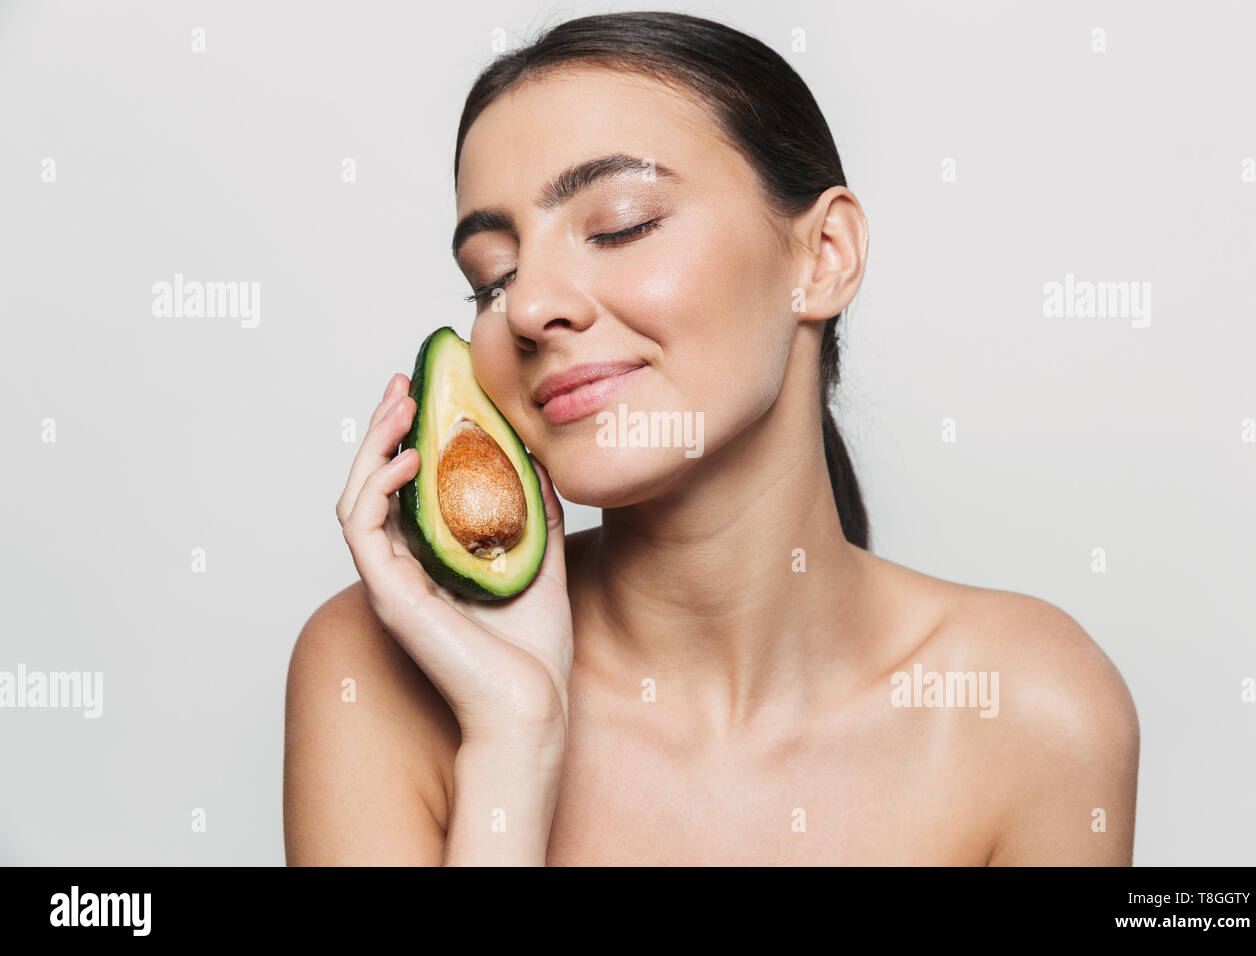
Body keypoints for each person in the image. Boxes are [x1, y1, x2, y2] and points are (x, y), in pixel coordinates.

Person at [284, 11, 1139, 866]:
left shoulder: (1029, 707)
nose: (532, 305)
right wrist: (516, 739)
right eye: (492, 278)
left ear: (824, 255)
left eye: (619, 224)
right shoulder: (376, 674)